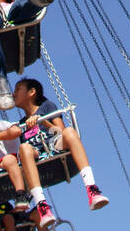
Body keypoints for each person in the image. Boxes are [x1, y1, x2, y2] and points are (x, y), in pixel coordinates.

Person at [12, 78, 109, 212]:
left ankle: (92, 189)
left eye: (17, 89)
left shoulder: (47, 106)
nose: (13, 93)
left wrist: (43, 122)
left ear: (31, 92)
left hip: (53, 144)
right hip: (35, 152)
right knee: (24, 148)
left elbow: (60, 132)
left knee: (69, 131)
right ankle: (41, 204)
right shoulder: (21, 123)